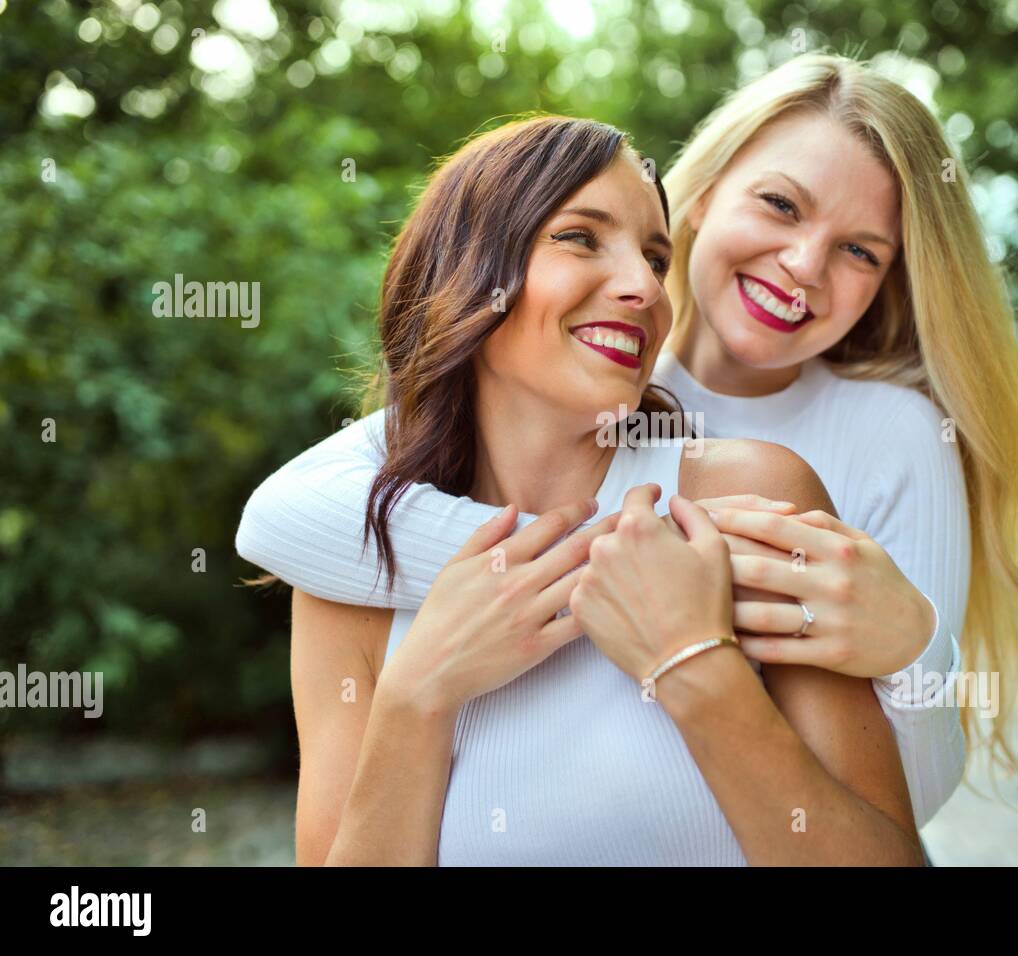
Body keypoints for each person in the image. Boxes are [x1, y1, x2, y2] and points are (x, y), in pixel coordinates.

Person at [238, 53, 1018, 836]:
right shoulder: (583, 357)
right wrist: (575, 574)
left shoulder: (874, 435)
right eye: (781, 205)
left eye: (859, 251)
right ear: (705, 195)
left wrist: (912, 654)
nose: (802, 263)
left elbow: (902, 806)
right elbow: (279, 514)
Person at [270, 114, 922, 865]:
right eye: (581, 237)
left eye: (655, 256)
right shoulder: (352, 566)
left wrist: (695, 669)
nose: (644, 287)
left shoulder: (746, 494)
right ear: (467, 269)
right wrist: (419, 694)